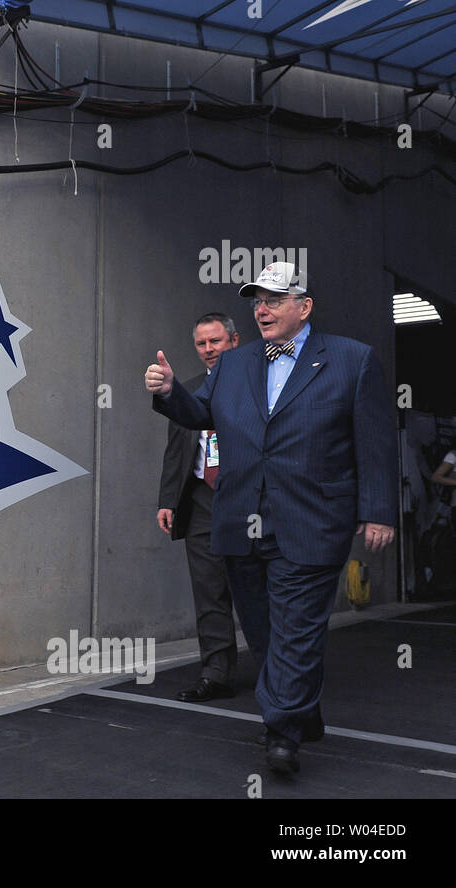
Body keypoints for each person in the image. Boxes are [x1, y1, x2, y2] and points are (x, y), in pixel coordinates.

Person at [144, 261, 397, 776]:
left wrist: (377, 510)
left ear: (304, 308)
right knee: (262, 631)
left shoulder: (353, 360)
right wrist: (171, 391)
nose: (262, 308)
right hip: (241, 520)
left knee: (296, 629)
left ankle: (280, 731)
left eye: (275, 299)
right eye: (257, 300)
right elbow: (200, 417)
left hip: (313, 521)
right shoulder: (233, 366)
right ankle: (302, 708)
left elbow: (374, 443)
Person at [157, 313, 240, 702]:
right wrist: (168, 501)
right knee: (209, 592)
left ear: (234, 342)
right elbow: (177, 453)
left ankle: (281, 675)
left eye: (216, 341)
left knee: (258, 591)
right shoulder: (185, 391)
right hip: (201, 501)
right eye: (202, 344)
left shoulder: (258, 388)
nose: (208, 350)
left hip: (247, 502)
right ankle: (216, 674)